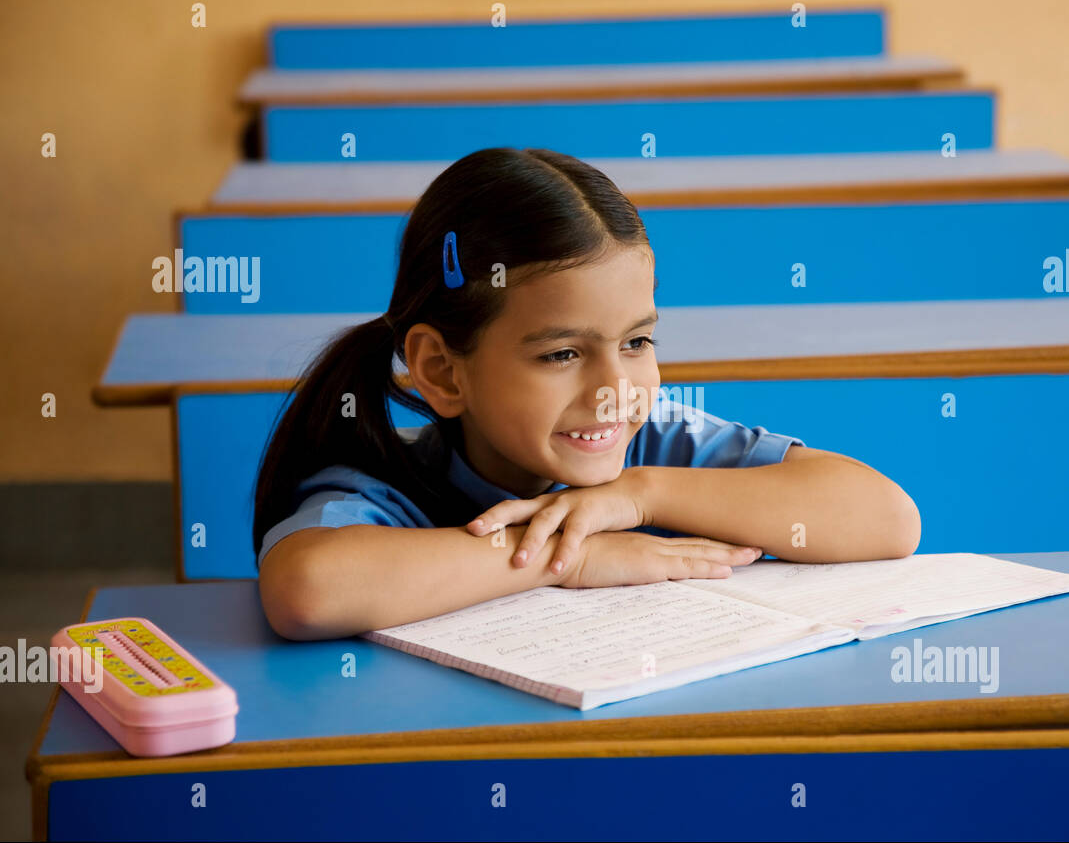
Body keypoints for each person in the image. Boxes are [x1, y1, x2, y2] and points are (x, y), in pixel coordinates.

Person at [253, 147, 921, 641]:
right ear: (442, 370)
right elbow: (308, 590)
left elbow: (887, 519)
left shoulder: (655, 446)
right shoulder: (387, 482)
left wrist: (642, 495)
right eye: (563, 354)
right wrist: (568, 557)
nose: (615, 391)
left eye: (637, 342)